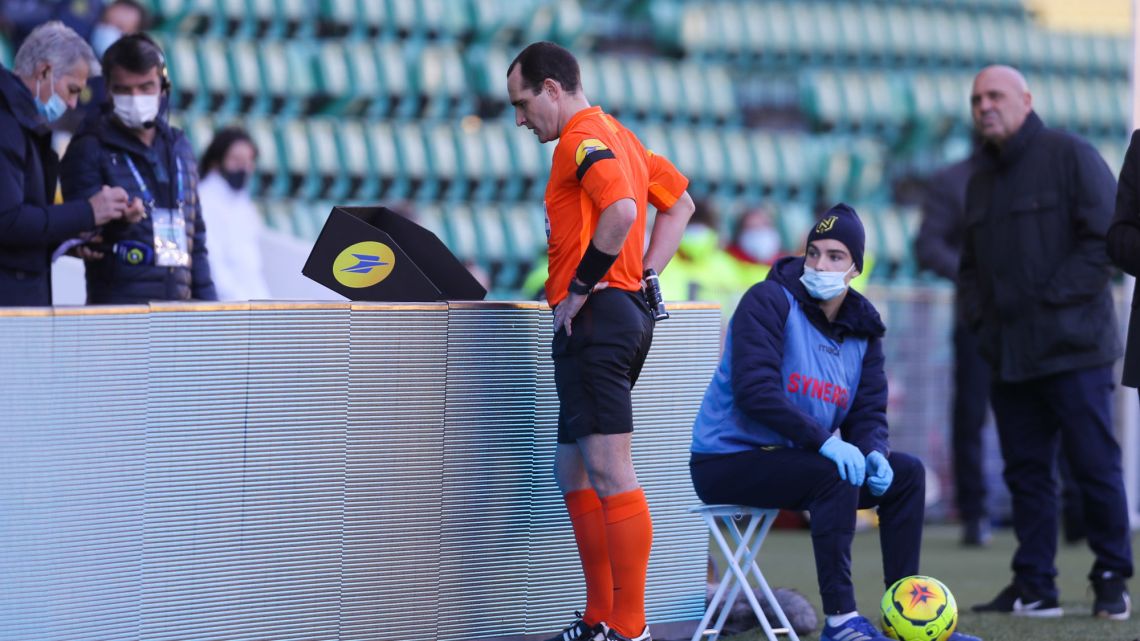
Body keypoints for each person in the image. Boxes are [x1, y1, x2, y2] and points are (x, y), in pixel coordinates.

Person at [689, 204, 982, 641]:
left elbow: (868, 414)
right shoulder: (766, 301)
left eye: (835, 256)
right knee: (833, 475)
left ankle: (906, 616)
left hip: (796, 459)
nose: (820, 264)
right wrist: (826, 442)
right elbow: (755, 393)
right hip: (726, 461)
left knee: (907, 475)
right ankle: (842, 621)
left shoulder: (864, 331)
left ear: (855, 269)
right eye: (814, 253)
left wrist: (874, 454)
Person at [507, 41, 694, 641]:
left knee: (610, 469)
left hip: (596, 321)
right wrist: (641, 275)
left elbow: (618, 211)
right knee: (573, 469)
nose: (519, 118)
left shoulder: (580, 138)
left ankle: (628, 627)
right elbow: (681, 204)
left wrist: (585, 287)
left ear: (552, 89)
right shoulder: (625, 138)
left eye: (522, 102)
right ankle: (597, 617)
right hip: (616, 313)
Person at [961, 65, 1131, 620]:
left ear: (1026, 99)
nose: (985, 105)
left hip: (1074, 349)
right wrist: (983, 324)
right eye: (977, 98)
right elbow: (970, 268)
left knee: (1093, 465)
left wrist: (1050, 301)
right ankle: (1036, 585)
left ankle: (1111, 579)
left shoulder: (1070, 155)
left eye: (995, 95)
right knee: (1026, 473)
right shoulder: (980, 178)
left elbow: (1108, 241)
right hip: (1008, 354)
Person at [60, 33, 216, 304]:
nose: (136, 98)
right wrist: (118, 220)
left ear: (163, 86)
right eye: (124, 90)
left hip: (180, 312)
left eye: (146, 87)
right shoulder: (89, 148)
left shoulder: (179, 146)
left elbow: (196, 240)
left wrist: (209, 310)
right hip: (120, 315)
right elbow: (81, 238)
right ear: (108, 89)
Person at [0, 20, 136, 306]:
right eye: (72, 90)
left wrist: (71, 239)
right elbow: (8, 221)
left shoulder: (24, 126)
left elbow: (25, 227)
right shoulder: (6, 125)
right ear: (45, 71)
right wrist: (87, 212)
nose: (74, 104)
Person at [915, 150, 994, 546]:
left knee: (1045, 412)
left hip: (1034, 319)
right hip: (977, 317)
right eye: (982, 99)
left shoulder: (1043, 171)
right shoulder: (955, 178)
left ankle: (1069, 511)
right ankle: (975, 514)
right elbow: (928, 245)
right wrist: (975, 274)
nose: (987, 109)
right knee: (970, 417)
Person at [197, 126, 270, 301]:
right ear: (216, 161)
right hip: (230, 307)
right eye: (236, 160)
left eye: (249, 161)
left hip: (253, 302)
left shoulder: (242, 202)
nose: (244, 168)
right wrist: (241, 305)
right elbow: (213, 264)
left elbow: (251, 266)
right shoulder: (204, 200)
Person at [724, 204, 782, 288]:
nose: (760, 233)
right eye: (752, 227)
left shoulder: (783, 265)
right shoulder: (727, 262)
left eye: (765, 225)